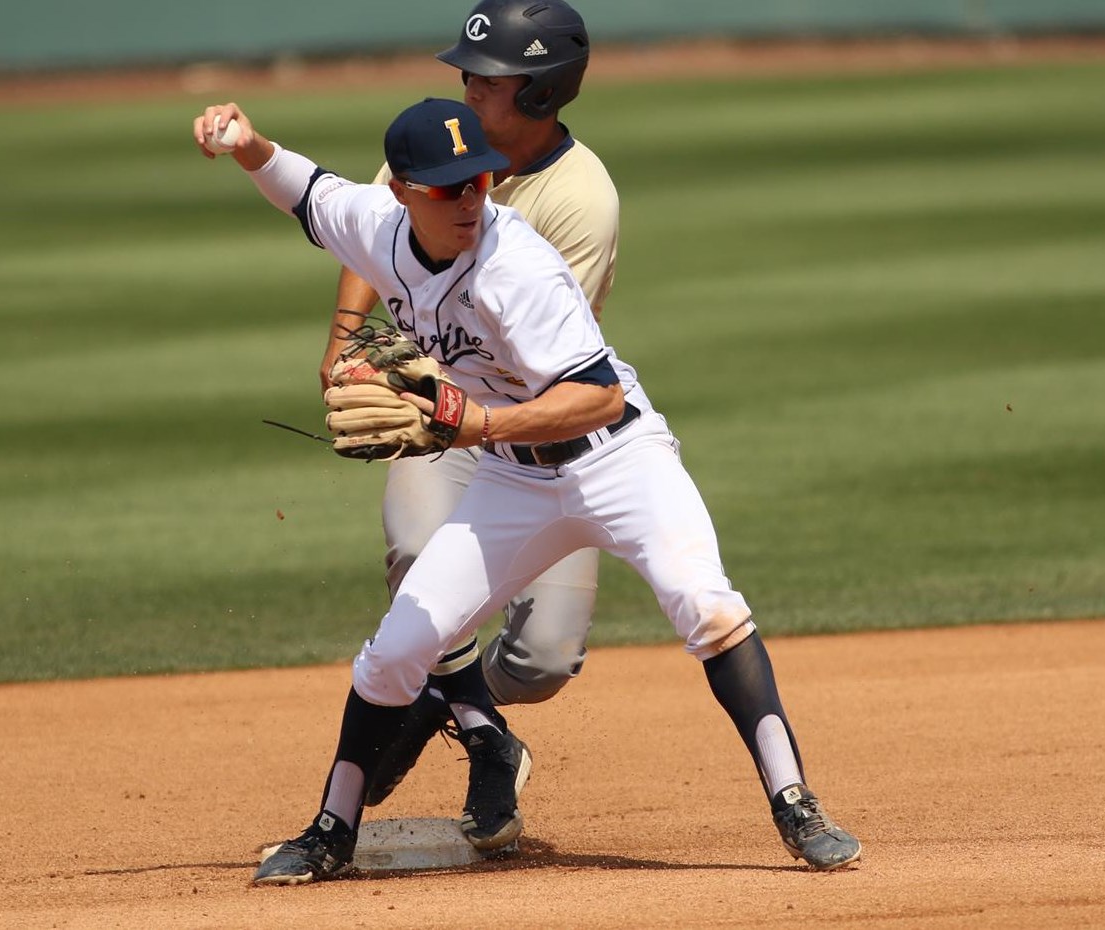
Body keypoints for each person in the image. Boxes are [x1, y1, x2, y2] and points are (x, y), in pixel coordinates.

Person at [192, 95, 864, 885]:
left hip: (619, 463)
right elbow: (303, 187)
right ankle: (331, 832)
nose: (469, 200)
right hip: (517, 480)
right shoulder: (375, 223)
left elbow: (601, 397)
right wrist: (245, 142)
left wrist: (472, 423)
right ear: (403, 189)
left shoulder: (518, 267)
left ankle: (795, 804)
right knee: (396, 652)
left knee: (706, 606)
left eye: (478, 180)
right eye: (447, 188)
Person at [314, 0, 619, 830]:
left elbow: (542, 370)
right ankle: (485, 735)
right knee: (417, 551)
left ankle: (439, 696)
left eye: (486, 78)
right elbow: (370, 234)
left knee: (545, 656)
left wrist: (456, 408)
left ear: (539, 91)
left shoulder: (579, 200)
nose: (464, 85)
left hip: (532, 426)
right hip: (434, 416)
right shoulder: (442, 138)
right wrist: (348, 343)